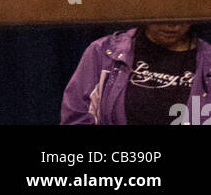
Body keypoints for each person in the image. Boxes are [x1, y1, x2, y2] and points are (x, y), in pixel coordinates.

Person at [60, 20, 211, 124]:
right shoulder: (103, 52)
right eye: (163, 13)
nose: (172, 25)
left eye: (181, 16)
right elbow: (76, 117)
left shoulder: (208, 62)